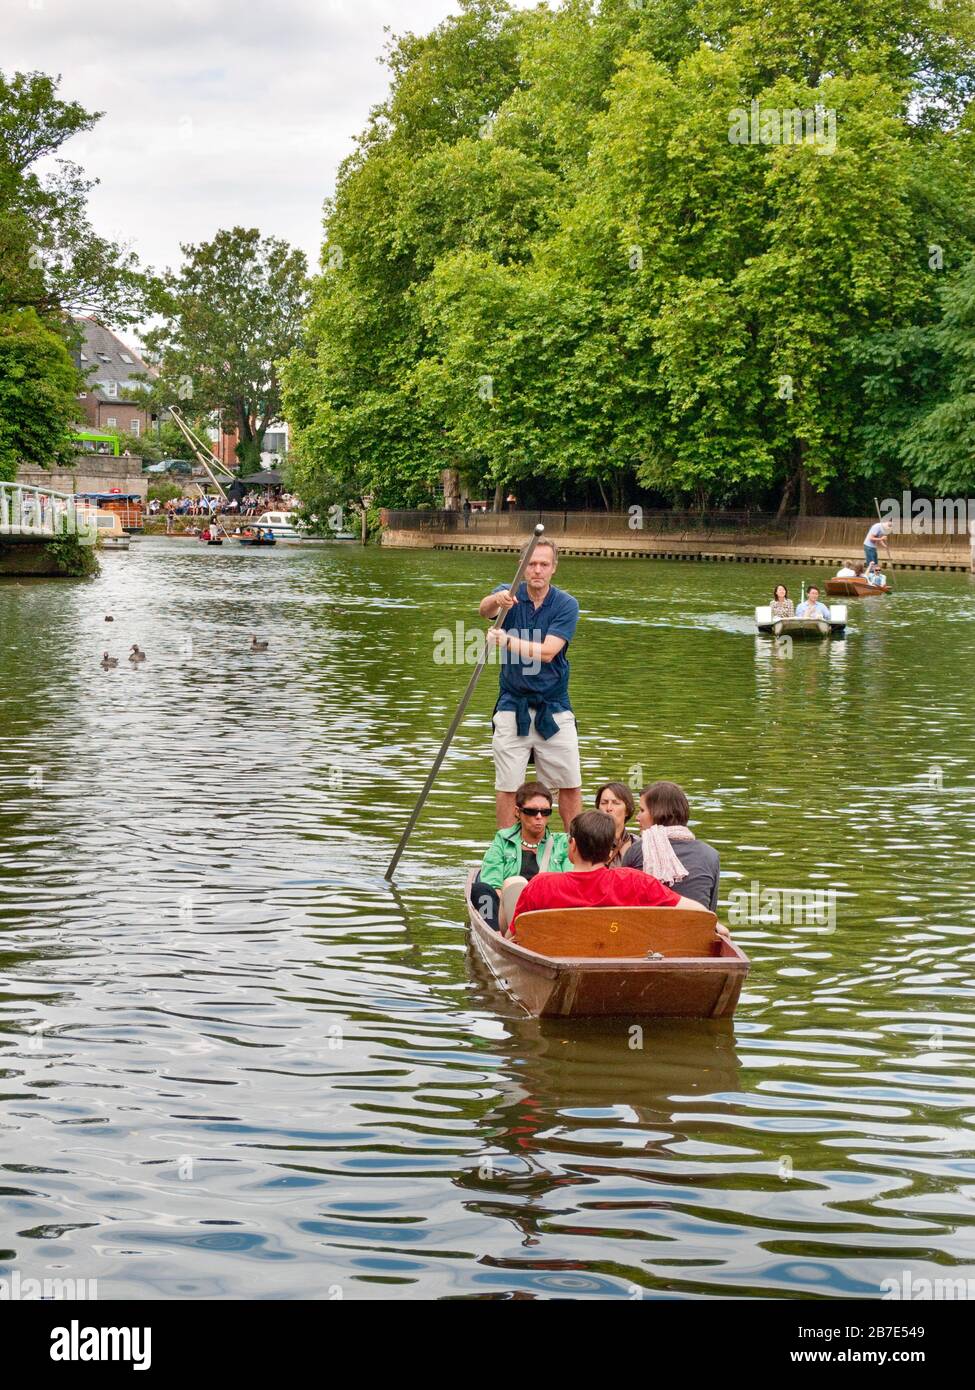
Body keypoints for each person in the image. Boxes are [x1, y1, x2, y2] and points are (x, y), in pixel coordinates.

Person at [479, 539, 582, 831]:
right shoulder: (509, 593)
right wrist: (497, 601)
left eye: (544, 564)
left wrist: (506, 640)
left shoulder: (566, 605)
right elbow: (483, 610)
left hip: (555, 705)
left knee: (569, 784)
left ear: (554, 568)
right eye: (531, 564)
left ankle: (578, 850)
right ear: (522, 567)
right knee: (508, 785)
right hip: (513, 703)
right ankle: (506, 850)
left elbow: (549, 652)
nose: (537, 570)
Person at [508, 811, 714, 934]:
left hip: (558, 962)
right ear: (609, 852)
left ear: (572, 846)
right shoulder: (636, 881)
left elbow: (512, 938)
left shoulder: (541, 884)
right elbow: (693, 910)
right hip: (618, 961)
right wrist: (714, 923)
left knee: (513, 886)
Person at [471, 782, 570, 932]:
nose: (539, 817)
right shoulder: (502, 840)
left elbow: (569, 882)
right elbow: (492, 882)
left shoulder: (562, 843)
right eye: (531, 812)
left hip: (546, 911)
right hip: (507, 913)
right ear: (518, 812)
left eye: (545, 812)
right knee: (481, 889)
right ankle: (496, 937)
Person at [622, 781, 720, 913]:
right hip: (695, 930)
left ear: (658, 813)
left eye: (642, 810)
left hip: (648, 930)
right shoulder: (711, 855)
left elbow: (622, 908)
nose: (637, 817)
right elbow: (710, 913)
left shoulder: (637, 851)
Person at [595, 781, 637, 866]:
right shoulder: (586, 842)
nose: (609, 808)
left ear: (627, 811)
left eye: (616, 803)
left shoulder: (638, 845)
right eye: (604, 803)